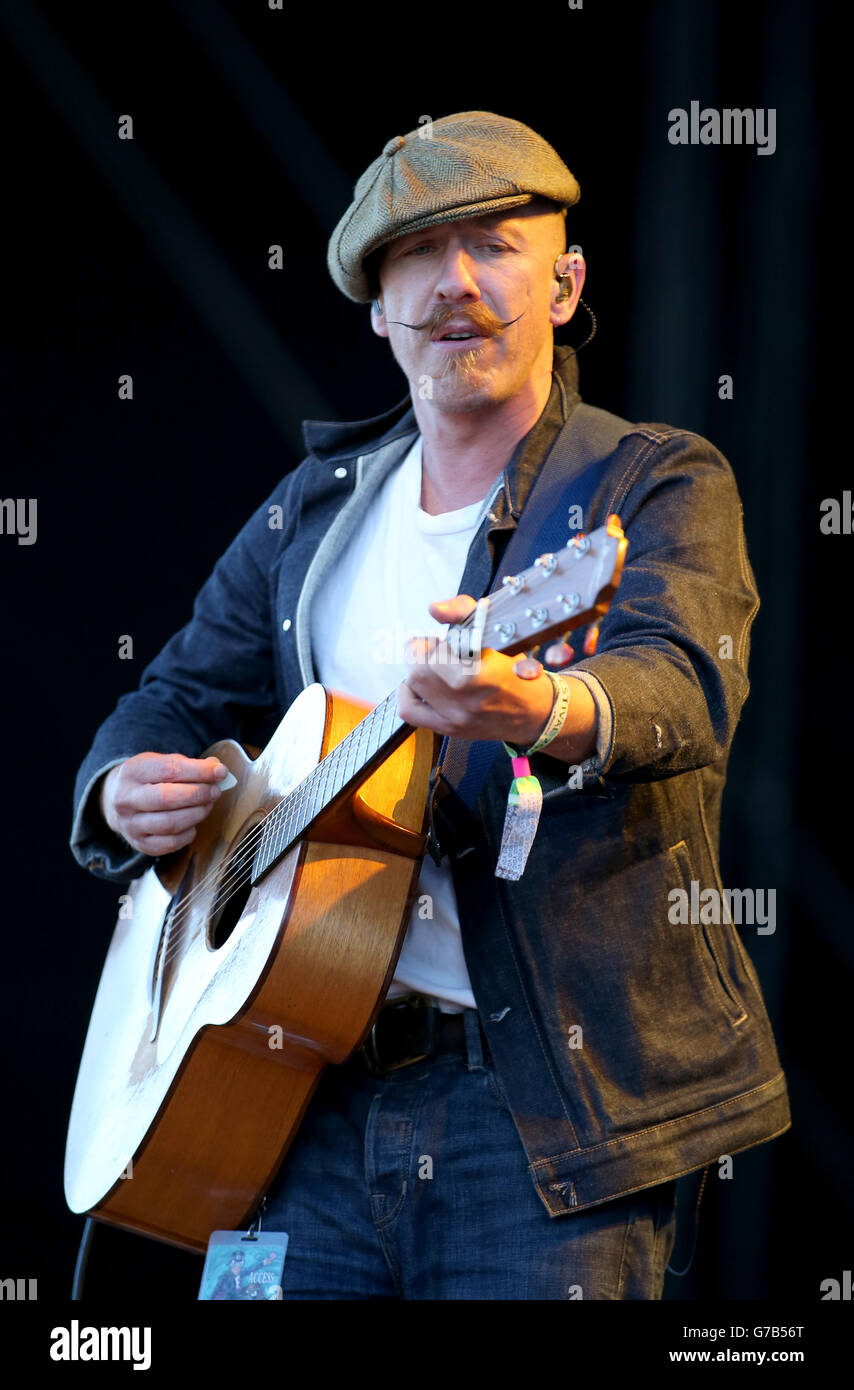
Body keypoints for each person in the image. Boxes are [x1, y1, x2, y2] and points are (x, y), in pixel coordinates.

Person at [70, 111, 791, 1300]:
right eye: (417, 253)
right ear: (376, 306)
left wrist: (542, 701)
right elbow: (168, 696)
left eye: (495, 245)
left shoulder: (648, 480)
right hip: (291, 1103)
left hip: (537, 1127)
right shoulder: (314, 509)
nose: (456, 282)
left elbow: (681, 684)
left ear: (562, 285)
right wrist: (120, 788)